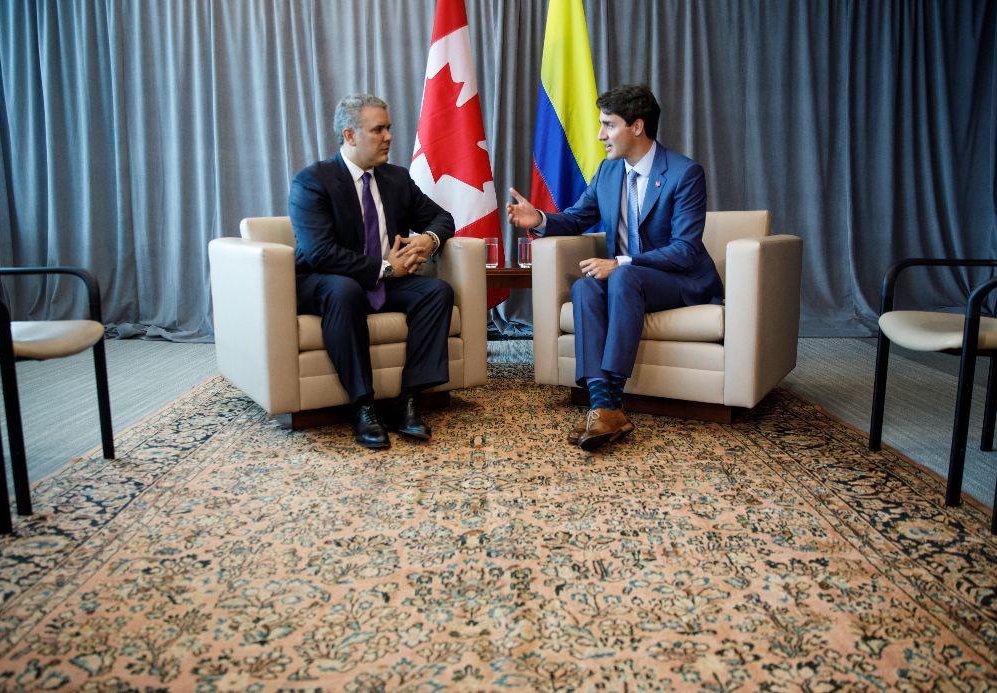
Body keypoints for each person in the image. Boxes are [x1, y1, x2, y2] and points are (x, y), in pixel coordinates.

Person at [507, 84, 722, 451]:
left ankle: (610, 399)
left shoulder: (684, 173)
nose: (600, 135)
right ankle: (604, 405)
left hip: (679, 281)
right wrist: (539, 218)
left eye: (608, 124)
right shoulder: (608, 173)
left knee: (622, 275)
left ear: (637, 126)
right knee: (585, 286)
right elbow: (577, 218)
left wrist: (621, 262)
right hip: (630, 282)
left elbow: (685, 251)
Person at [289, 94, 455, 449]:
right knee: (344, 289)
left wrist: (428, 239)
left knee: (436, 292)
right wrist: (386, 267)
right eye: (378, 130)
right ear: (349, 135)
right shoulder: (313, 181)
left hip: (384, 280)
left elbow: (443, 218)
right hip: (323, 282)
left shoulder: (396, 179)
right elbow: (320, 253)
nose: (389, 137)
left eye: (388, 128)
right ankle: (364, 406)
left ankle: (408, 401)